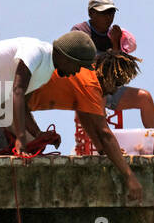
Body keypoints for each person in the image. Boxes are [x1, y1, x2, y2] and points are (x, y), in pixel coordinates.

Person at [24, 64, 143, 201]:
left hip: (17, 107)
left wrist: (101, 149)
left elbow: (83, 114)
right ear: (109, 78)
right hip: (5, 106)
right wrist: (130, 177)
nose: (114, 91)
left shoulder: (86, 75)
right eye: (116, 85)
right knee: (19, 153)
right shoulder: (90, 85)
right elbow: (105, 134)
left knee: (29, 147)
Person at [72, 0, 154, 153]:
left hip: (110, 89)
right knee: (99, 93)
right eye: (103, 12)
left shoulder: (115, 34)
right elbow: (85, 66)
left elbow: (119, 74)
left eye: (111, 12)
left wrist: (116, 43)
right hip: (87, 91)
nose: (108, 17)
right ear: (91, 13)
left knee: (145, 98)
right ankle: (105, 146)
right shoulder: (80, 31)